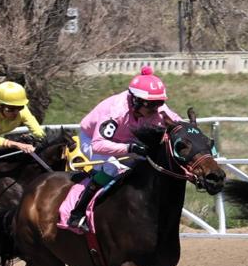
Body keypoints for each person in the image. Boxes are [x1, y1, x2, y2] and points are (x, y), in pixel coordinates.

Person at [69, 65, 181, 231]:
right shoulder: (116, 111)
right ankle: (77, 213)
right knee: (111, 168)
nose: (155, 110)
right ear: (136, 101)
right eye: (151, 105)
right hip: (92, 140)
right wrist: (130, 148)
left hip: (124, 140)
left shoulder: (155, 108)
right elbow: (98, 145)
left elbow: (178, 124)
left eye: (159, 104)